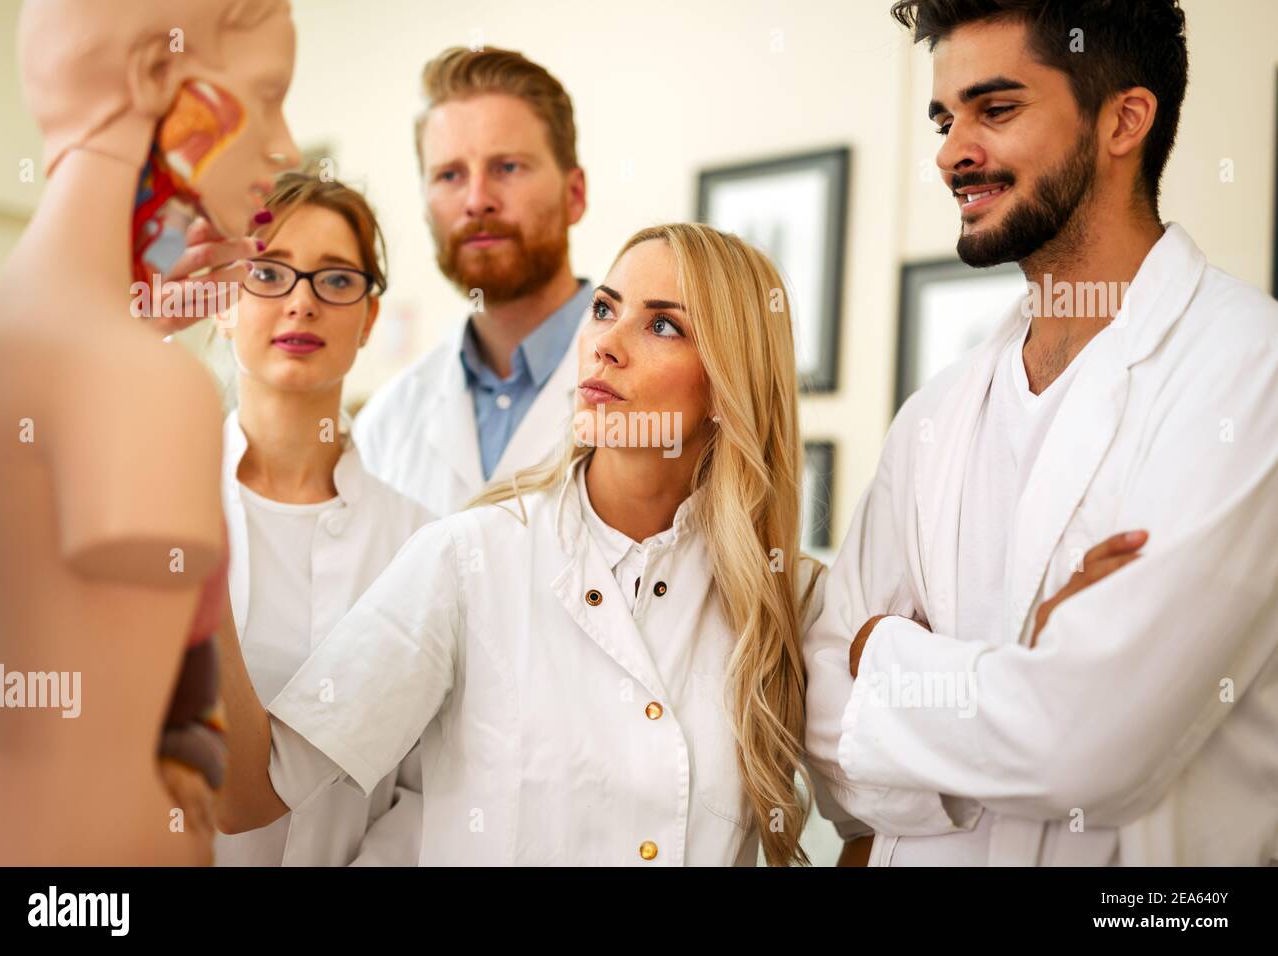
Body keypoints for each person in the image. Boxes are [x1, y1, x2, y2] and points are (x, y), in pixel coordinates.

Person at [216, 223, 855, 865]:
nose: (605, 343)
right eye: (604, 309)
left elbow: (876, 824)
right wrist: (195, 562)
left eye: (663, 326)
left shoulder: (790, 596)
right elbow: (251, 793)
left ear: (728, 384)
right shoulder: (470, 558)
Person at [805, 0, 1278, 866]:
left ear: (1123, 120)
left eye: (997, 109)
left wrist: (888, 654)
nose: (952, 151)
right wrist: (1022, 668)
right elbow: (826, 742)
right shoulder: (933, 419)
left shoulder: (1251, 372)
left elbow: (1089, 743)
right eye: (946, 119)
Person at [0, 0, 299, 865]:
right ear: (159, 75)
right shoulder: (144, 385)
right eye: (267, 97)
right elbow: (207, 773)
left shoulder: (8, 343)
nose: (288, 148)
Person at [211, 172, 435, 865]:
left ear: (369, 317)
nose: (302, 302)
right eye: (269, 273)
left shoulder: (422, 545)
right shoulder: (159, 511)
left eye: (336, 281)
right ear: (221, 298)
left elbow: (428, 792)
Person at [352, 46, 594, 515]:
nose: (477, 201)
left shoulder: (662, 405)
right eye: (450, 175)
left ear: (575, 194)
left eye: (507, 167)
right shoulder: (388, 425)